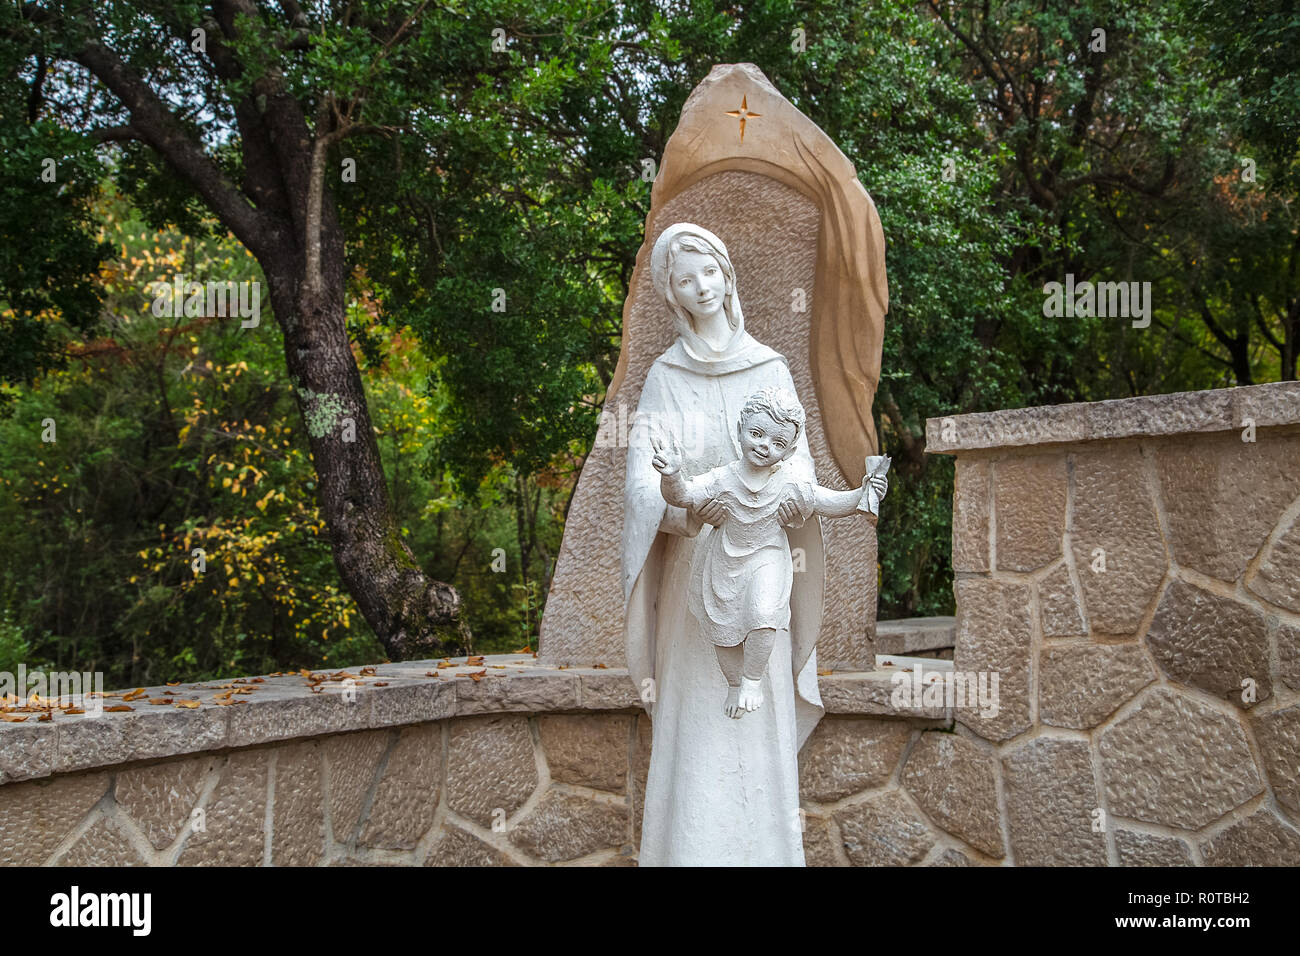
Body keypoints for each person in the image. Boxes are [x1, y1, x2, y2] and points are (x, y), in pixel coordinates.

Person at [623, 223, 827, 865]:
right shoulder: (664, 377)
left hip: (761, 565)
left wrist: (783, 491)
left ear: (726, 273)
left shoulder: (769, 367)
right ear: (673, 295)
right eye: (685, 280)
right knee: (697, 726)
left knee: (754, 718)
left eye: (707, 271)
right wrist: (680, 502)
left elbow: (799, 466)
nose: (700, 287)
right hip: (694, 586)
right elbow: (640, 481)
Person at [650, 386, 886, 719]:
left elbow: (827, 501)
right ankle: (734, 683)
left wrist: (864, 494)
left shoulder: (790, 483)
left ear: (789, 452)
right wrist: (671, 474)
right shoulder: (722, 478)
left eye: (777, 443)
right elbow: (683, 496)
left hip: (767, 557)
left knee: (763, 615)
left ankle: (751, 679)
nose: (764, 446)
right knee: (723, 630)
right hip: (725, 558)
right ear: (740, 431)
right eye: (758, 434)